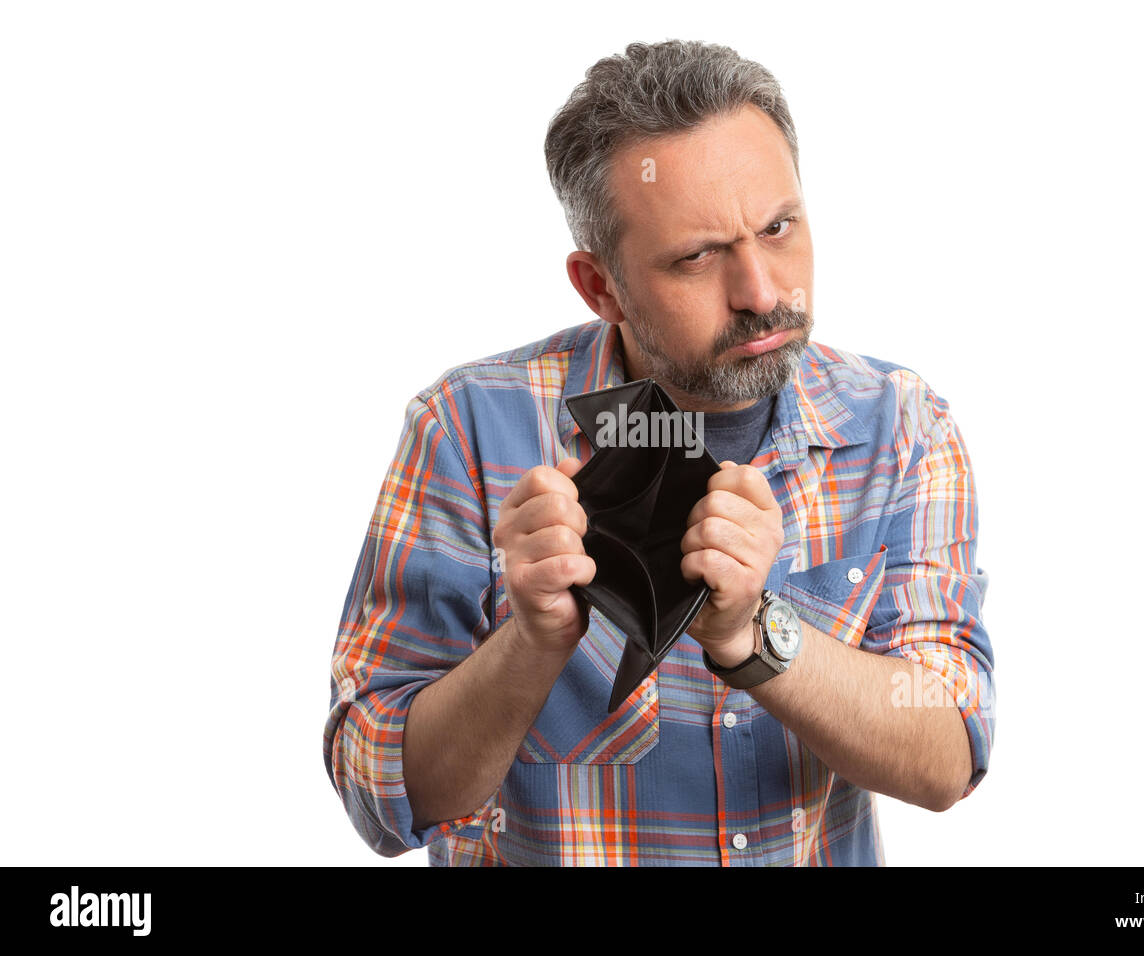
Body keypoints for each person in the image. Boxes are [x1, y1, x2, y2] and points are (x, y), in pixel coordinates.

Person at [323, 39, 995, 866]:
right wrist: (530, 645)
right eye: (697, 257)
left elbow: (950, 754)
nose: (760, 292)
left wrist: (758, 635)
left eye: (778, 228)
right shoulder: (468, 431)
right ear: (600, 286)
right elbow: (377, 794)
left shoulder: (900, 427)